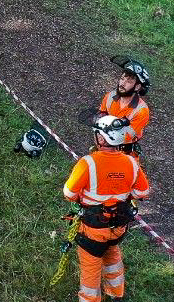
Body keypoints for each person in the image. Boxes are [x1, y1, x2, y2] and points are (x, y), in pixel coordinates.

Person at [63, 116, 152, 302]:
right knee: (112, 254)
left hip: (93, 228)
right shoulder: (131, 162)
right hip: (118, 226)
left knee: (90, 267)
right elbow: (142, 192)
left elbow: (69, 193)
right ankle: (116, 293)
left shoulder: (88, 163)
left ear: (102, 139)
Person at [96, 56, 151, 154]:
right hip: (103, 145)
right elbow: (100, 119)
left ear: (137, 87)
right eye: (122, 78)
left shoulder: (141, 111)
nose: (122, 83)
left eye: (129, 81)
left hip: (125, 152)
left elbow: (126, 136)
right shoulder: (109, 97)